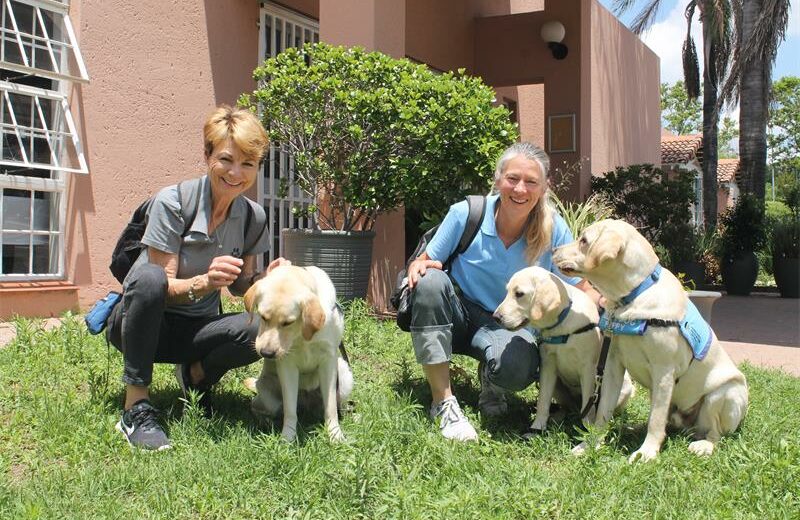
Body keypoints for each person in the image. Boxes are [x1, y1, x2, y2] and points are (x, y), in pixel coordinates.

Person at [106, 105, 289, 450]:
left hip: (197, 330)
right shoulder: (173, 202)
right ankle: (136, 406)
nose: (235, 173)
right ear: (207, 156)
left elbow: (241, 285)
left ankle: (195, 376)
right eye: (226, 160)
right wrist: (205, 282)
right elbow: (159, 286)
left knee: (260, 329)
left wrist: (266, 279)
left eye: (248, 163)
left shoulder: (253, 217)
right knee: (149, 278)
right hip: (141, 326)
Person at [406, 141, 600, 441]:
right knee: (430, 281)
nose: (520, 189)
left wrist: (616, 310)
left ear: (544, 188)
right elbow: (424, 261)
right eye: (512, 178)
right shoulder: (465, 214)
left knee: (518, 367)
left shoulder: (554, 229)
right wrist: (418, 266)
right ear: (498, 180)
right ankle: (443, 401)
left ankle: (492, 379)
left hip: (509, 325)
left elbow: (582, 289)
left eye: (531, 182)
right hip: (458, 314)